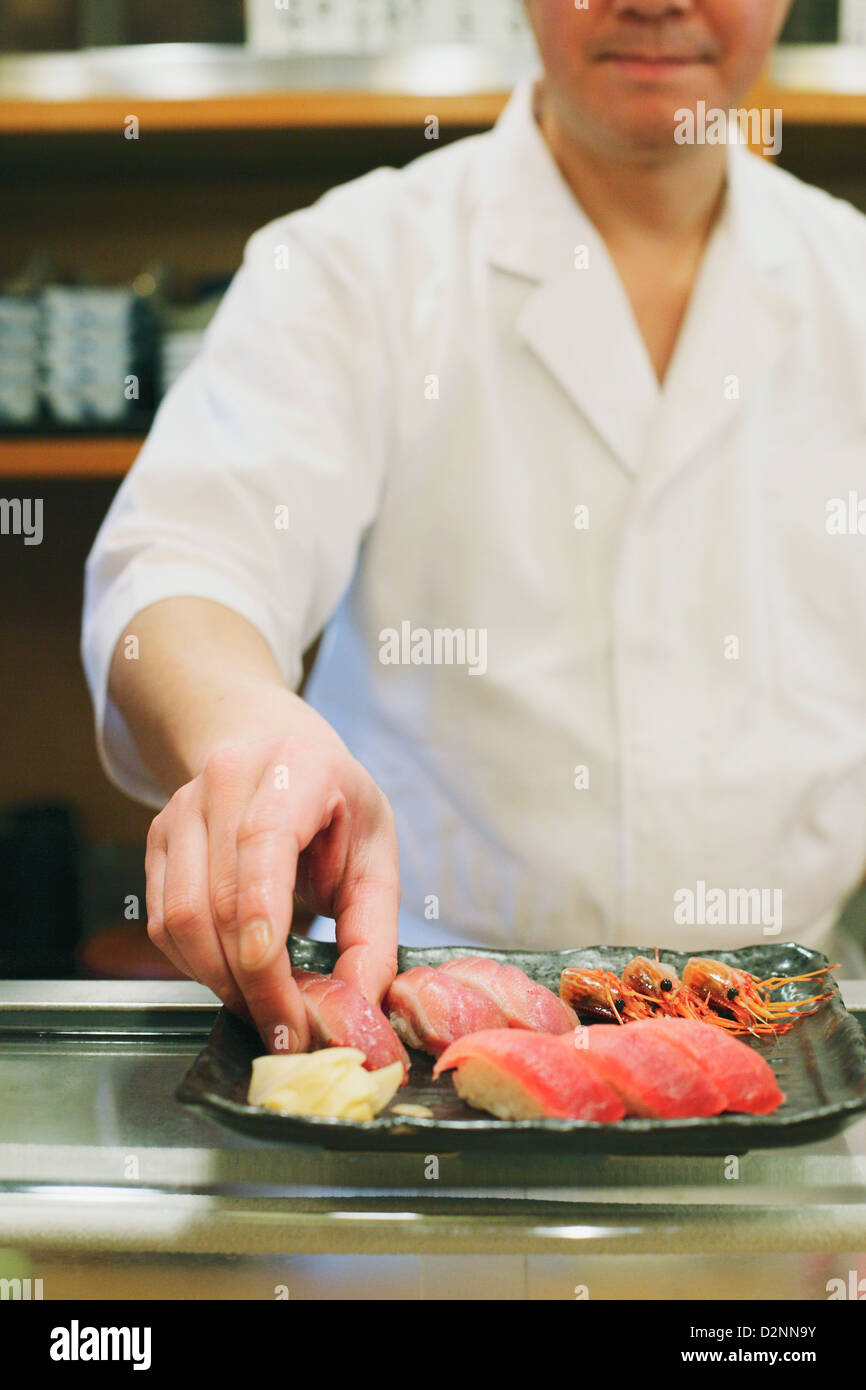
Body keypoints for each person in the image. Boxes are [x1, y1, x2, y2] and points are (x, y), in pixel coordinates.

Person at [82, 0, 866, 1053]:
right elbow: (181, 563)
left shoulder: (846, 280)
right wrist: (246, 736)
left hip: (789, 1030)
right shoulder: (351, 264)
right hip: (421, 1026)